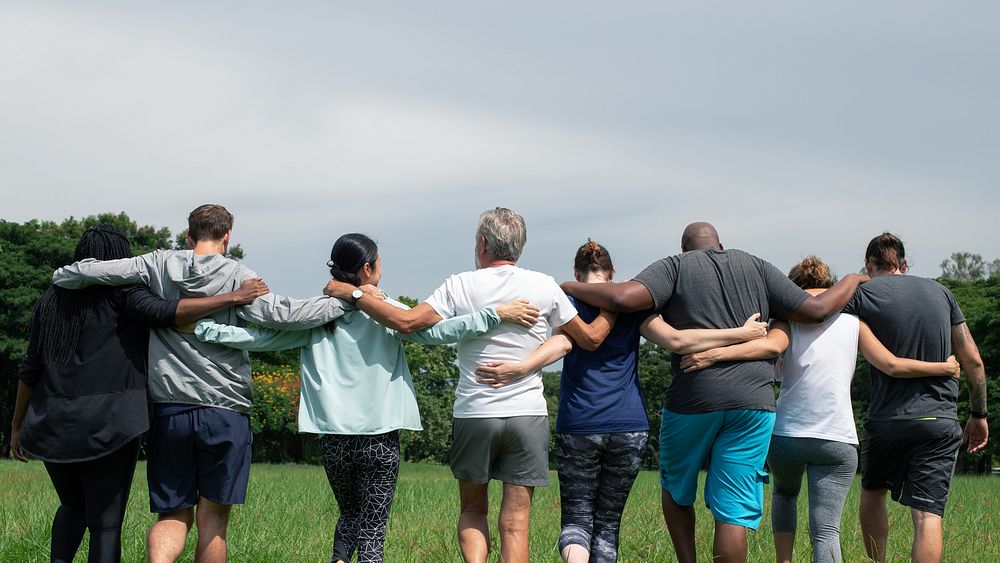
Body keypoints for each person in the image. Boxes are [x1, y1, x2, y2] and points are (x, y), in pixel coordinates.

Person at [194, 233, 538, 563]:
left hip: (333, 437)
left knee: (349, 515)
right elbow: (439, 333)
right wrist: (495, 314)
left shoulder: (316, 315)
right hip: (379, 437)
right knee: (372, 530)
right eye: (379, 262)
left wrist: (205, 329)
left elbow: (260, 340)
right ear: (367, 270)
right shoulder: (387, 311)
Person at [50, 205, 352, 563]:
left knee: (173, 515)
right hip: (225, 412)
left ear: (189, 235)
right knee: (213, 525)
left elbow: (83, 273)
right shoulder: (240, 276)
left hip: (169, 412)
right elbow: (286, 315)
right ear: (227, 236)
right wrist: (347, 302)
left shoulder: (157, 263)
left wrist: (66, 275)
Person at [559, 222, 868, 563]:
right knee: (733, 509)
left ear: (684, 248)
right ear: (721, 245)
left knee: (677, 491)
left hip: (693, 399)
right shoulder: (757, 266)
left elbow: (622, 297)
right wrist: (853, 279)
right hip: (754, 404)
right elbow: (817, 310)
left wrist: (567, 286)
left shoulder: (675, 266)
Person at [324, 208, 615, 563]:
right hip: (527, 414)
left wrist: (353, 293)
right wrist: (615, 303)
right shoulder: (543, 285)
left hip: (475, 412)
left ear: (482, 243)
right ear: (520, 246)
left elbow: (407, 322)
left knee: (473, 512)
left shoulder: (461, 284)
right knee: (516, 523)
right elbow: (589, 339)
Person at [474, 239, 768, 563]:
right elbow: (677, 339)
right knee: (608, 526)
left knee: (576, 520)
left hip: (579, 424)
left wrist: (520, 368)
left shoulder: (567, 301)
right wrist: (740, 334)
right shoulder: (631, 307)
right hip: (630, 428)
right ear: (612, 273)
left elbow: (560, 346)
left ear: (576, 271)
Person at [8, 224, 267, 563]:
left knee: (72, 506)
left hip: (53, 422)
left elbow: (31, 369)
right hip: (111, 422)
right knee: (105, 523)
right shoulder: (126, 294)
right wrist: (232, 297)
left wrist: (16, 427)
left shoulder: (50, 301)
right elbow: (165, 313)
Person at [679, 256, 961, 563]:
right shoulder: (854, 323)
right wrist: (942, 367)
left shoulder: (785, 321)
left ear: (792, 289)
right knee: (826, 531)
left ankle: (784, 561)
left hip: (786, 434)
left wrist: (712, 355)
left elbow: (767, 353)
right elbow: (892, 365)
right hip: (837, 439)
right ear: (830, 287)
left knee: (785, 495)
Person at [845, 233, 988, 563]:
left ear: (868, 264)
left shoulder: (861, 294)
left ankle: (877, 561)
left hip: (886, 421)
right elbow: (973, 361)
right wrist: (978, 414)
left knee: (873, 490)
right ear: (905, 264)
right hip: (938, 421)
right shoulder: (942, 293)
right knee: (927, 516)